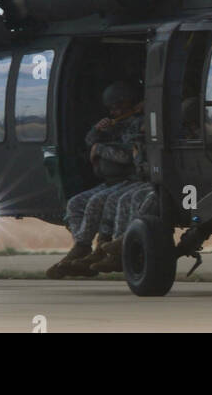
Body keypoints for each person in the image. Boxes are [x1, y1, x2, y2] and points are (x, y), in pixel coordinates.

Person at [46, 81, 145, 279]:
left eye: (119, 106)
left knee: (100, 201)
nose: (115, 111)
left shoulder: (139, 124)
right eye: (112, 108)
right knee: (75, 204)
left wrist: (99, 149)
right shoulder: (117, 124)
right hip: (112, 181)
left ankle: (108, 249)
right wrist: (97, 131)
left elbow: (128, 156)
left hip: (130, 180)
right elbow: (89, 142)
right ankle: (82, 246)